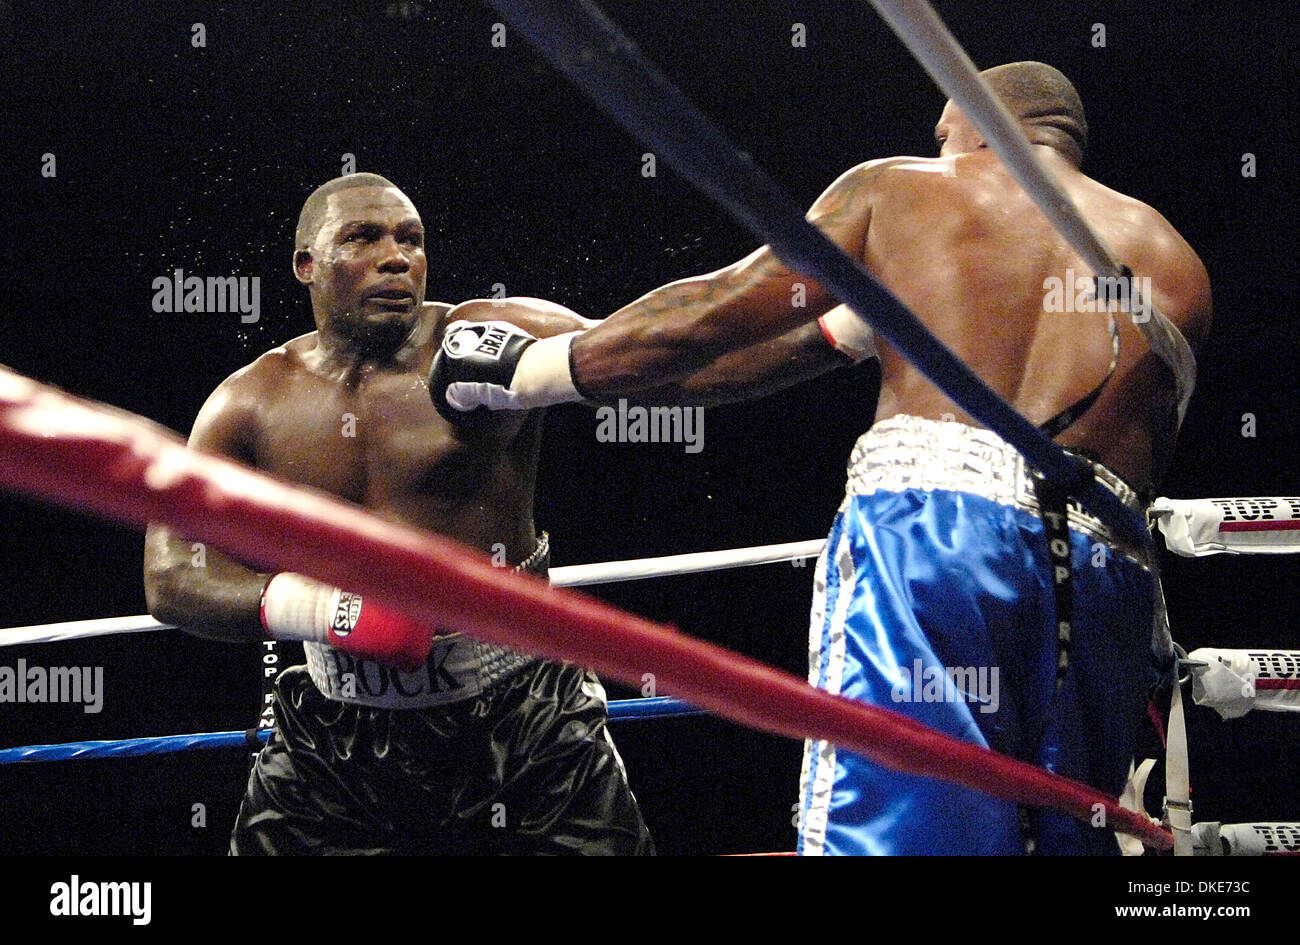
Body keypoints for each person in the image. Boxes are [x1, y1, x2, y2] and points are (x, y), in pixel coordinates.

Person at [431, 63, 1214, 854]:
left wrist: (527, 372)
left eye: (944, 135)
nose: (941, 150)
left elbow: (707, 319)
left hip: (935, 536)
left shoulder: (904, 190)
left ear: (976, 123)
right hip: (1104, 572)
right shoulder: (1177, 261)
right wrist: (594, 355)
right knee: (1060, 833)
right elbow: (778, 354)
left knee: (887, 826)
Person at [142, 172, 665, 854]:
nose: (397, 257)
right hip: (335, 732)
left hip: (525, 710)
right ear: (306, 264)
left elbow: (658, 353)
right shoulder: (250, 404)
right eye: (364, 237)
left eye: (410, 240)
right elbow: (171, 574)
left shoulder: (488, 335)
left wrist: (822, 327)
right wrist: (317, 609)